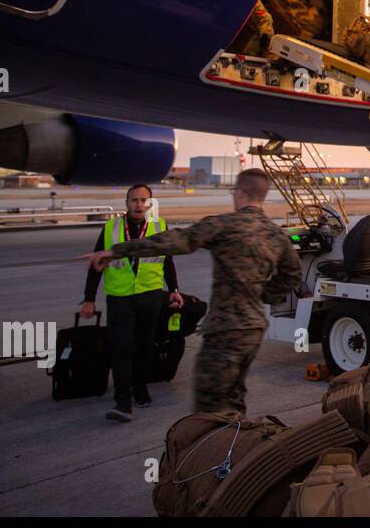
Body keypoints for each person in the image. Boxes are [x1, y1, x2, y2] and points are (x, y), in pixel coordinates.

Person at [81, 169, 300, 417]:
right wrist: (264, 295)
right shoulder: (275, 234)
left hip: (225, 330)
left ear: (240, 192)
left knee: (209, 408)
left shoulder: (225, 225)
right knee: (235, 399)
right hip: (255, 328)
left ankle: (215, 449)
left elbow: (175, 241)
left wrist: (117, 251)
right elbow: (293, 275)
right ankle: (237, 443)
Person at [80, 184, 182, 423]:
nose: (138, 204)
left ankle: (140, 388)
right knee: (121, 347)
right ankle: (122, 401)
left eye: (143, 200)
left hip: (150, 296)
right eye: (134, 200)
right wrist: (88, 299)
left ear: (149, 203)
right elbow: (97, 266)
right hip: (120, 297)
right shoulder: (111, 228)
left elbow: (168, 262)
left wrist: (174, 290)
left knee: (146, 346)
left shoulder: (159, 226)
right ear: (126, 204)